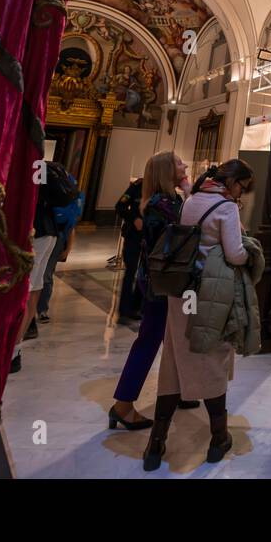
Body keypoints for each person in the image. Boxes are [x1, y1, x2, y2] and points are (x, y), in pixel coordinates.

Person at [144, 159, 258, 471]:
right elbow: (234, 253)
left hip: (180, 292)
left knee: (175, 363)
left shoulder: (193, 199)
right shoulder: (226, 208)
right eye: (242, 187)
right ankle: (218, 437)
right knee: (211, 359)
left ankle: (156, 443)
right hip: (209, 293)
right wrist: (251, 251)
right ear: (233, 183)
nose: (242, 194)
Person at [107, 152, 192, 431]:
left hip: (160, 279)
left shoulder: (168, 200)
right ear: (168, 171)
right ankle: (123, 404)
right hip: (159, 281)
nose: (185, 166)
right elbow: (181, 236)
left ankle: (180, 389)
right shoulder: (162, 204)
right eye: (180, 163)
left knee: (170, 335)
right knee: (150, 339)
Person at [11, 161, 76, 373]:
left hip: (33, 230)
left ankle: (12, 349)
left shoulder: (24, 162)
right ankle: (17, 346)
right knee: (34, 287)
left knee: (24, 288)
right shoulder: (41, 166)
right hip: (48, 231)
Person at [36, 169, 83, 324]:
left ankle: (41, 309)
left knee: (44, 274)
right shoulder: (64, 192)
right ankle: (39, 310)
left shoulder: (56, 193)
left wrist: (68, 247)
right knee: (44, 274)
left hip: (52, 235)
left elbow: (70, 224)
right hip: (53, 235)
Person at [113, 176, 145, 324]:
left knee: (144, 273)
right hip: (133, 235)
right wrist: (134, 218)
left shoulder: (161, 188)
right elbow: (120, 206)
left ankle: (137, 307)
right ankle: (125, 310)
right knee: (130, 271)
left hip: (150, 237)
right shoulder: (138, 186)